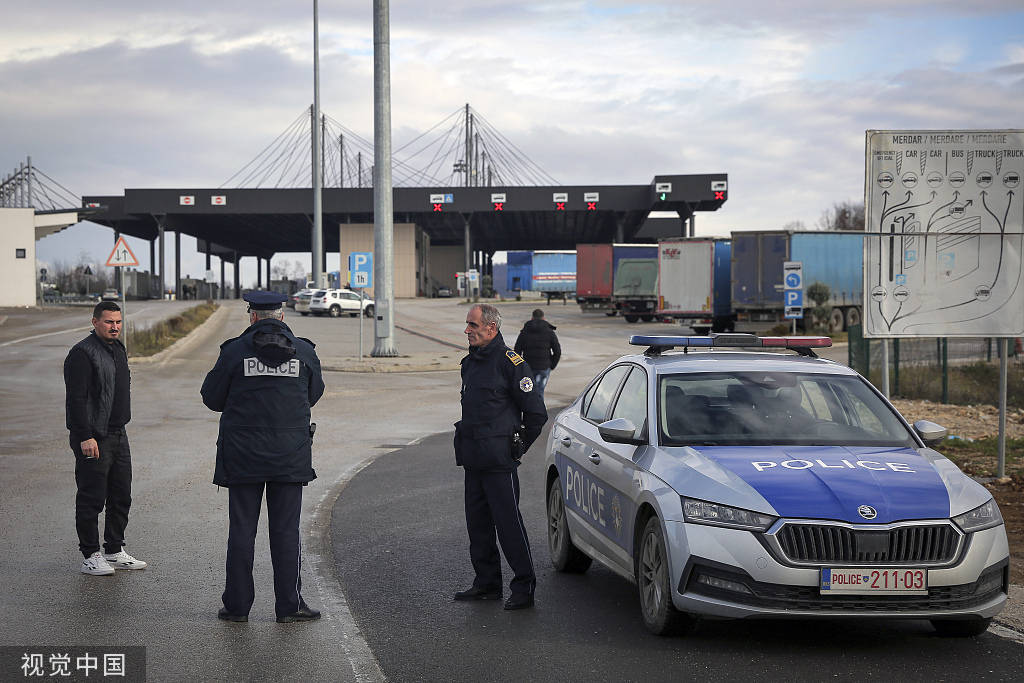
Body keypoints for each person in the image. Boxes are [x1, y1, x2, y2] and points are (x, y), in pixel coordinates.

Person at [201, 291, 325, 623]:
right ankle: (289, 605)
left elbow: (212, 398)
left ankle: (238, 607)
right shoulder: (305, 352)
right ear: (281, 316)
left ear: (252, 317)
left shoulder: (234, 352)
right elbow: (314, 394)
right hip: (290, 457)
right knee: (286, 531)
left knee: (242, 531)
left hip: (242, 458)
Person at [454, 304, 547, 610]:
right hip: (473, 459)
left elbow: (536, 413)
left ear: (491, 328)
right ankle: (486, 583)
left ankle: (524, 586)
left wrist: (517, 449)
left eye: (472, 325)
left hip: (498, 461)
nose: (467, 330)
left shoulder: (512, 363)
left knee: (508, 525)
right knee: (478, 526)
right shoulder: (470, 363)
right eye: (468, 325)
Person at [63, 301, 147, 575]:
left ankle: (113, 549)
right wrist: (85, 436)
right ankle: (90, 554)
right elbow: (76, 400)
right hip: (93, 437)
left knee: (121, 494)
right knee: (92, 497)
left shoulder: (117, 349)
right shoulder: (82, 354)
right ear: (95, 322)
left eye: (118, 322)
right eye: (109, 322)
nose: (115, 327)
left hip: (118, 433)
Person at [514, 308, 561, 400]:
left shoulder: (524, 332)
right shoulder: (550, 332)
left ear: (532, 318)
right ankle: (539, 411)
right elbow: (557, 351)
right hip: (544, 367)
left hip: (528, 367)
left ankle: (527, 410)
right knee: (539, 391)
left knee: (528, 392)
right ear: (543, 318)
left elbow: (517, 351)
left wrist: (520, 366)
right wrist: (551, 365)